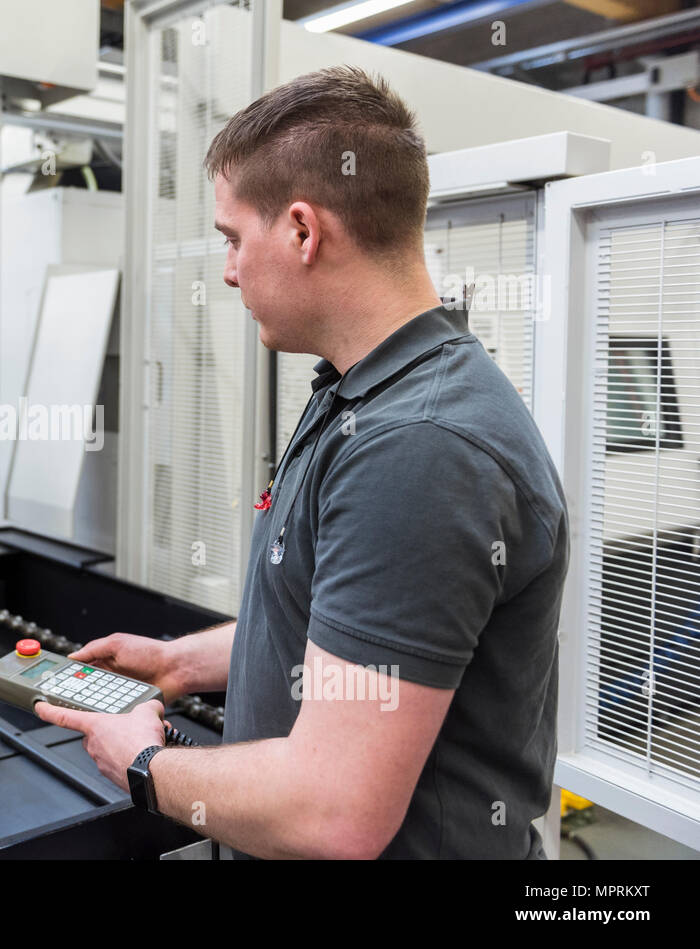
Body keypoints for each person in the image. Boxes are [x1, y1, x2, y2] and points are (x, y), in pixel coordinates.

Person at [34, 65, 569, 859]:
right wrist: (179, 663)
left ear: (301, 231)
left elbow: (335, 813)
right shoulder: (360, 394)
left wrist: (144, 762)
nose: (227, 270)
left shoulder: (420, 448)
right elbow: (347, 633)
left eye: (232, 238)